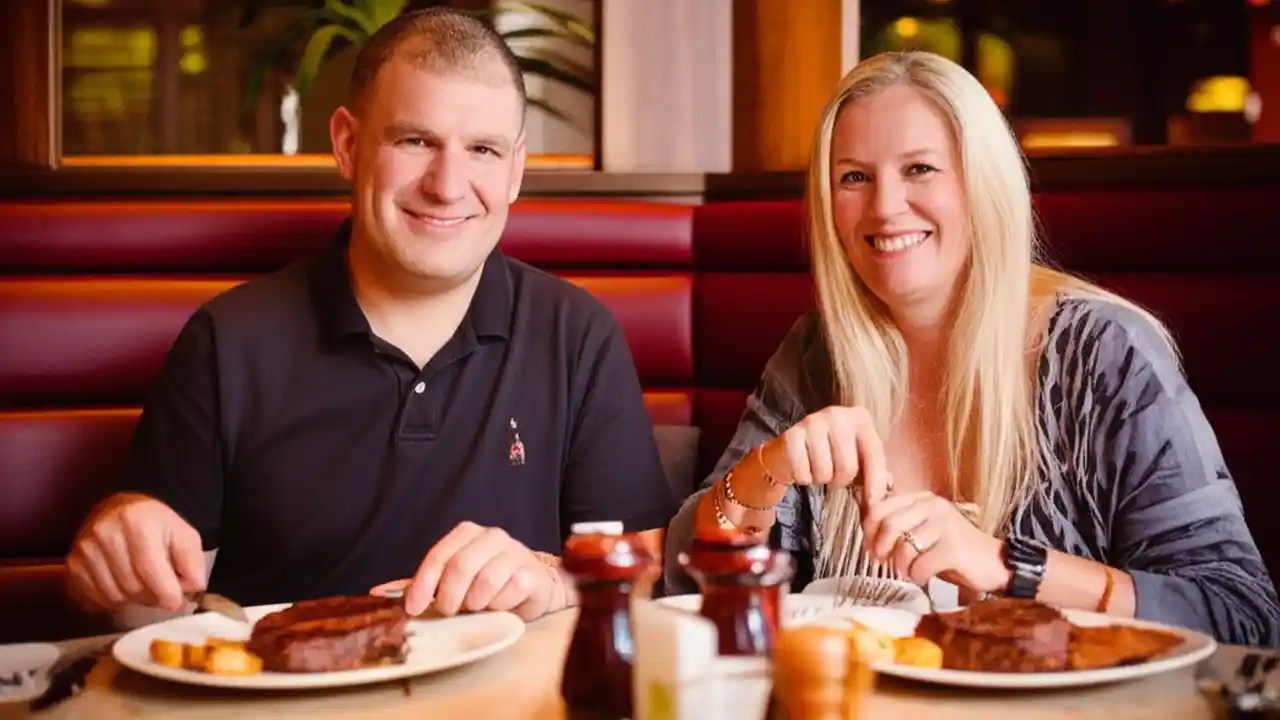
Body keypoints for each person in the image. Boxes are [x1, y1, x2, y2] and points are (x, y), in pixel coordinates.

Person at [67, 8, 675, 624]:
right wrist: (117, 556)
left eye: (484, 150)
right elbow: (145, 609)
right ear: (348, 146)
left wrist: (551, 579)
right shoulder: (228, 340)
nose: (448, 184)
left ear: (516, 171)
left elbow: (644, 569)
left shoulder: (577, 334)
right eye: (416, 141)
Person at [663, 50, 1280, 646]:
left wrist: (1007, 566)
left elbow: (1240, 614)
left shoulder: (1102, 354)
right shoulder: (816, 354)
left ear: (981, 183)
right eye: (854, 176)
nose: (884, 206)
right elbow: (687, 579)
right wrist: (763, 472)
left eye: (919, 169)